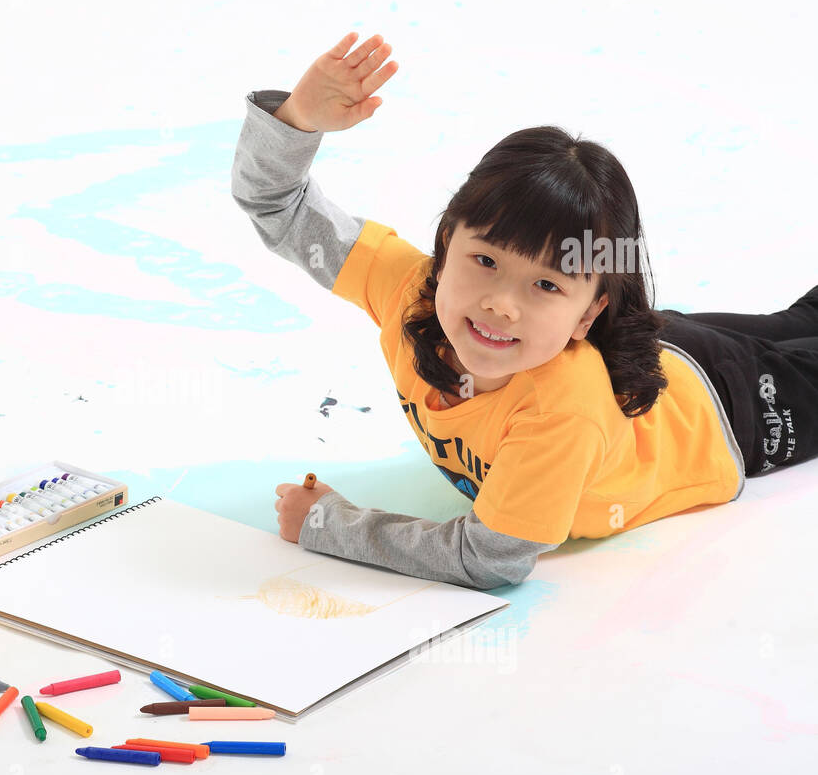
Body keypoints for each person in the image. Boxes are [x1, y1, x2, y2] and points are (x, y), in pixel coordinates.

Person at [232, 32, 818, 590]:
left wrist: (328, 524)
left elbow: (489, 558)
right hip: (669, 355)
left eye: (546, 284)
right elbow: (278, 207)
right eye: (485, 261)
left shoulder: (562, 411)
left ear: (589, 315)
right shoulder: (408, 289)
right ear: (445, 246)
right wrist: (298, 121)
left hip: (731, 419)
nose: (501, 305)